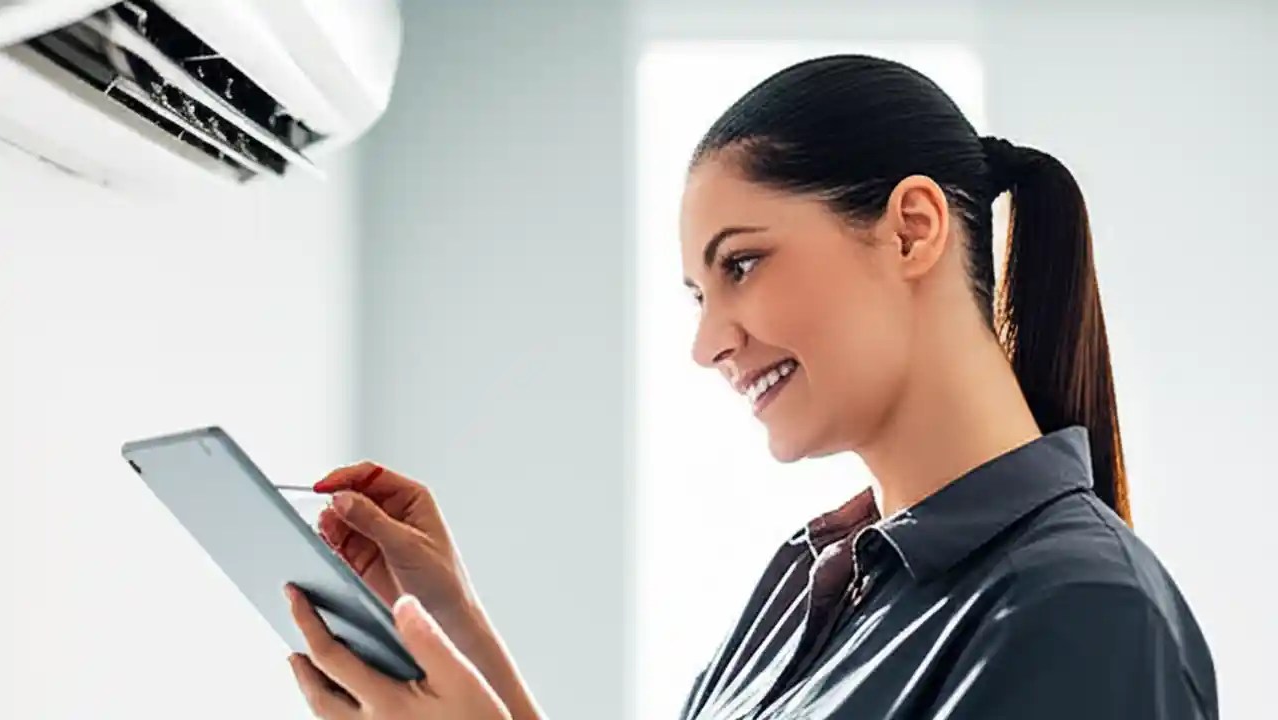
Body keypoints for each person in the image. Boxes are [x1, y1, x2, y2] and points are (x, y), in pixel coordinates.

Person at [283, 54, 1217, 719]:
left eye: (741, 265)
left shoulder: (1087, 612)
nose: (706, 343)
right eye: (698, 291)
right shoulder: (811, 588)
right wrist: (456, 625)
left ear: (912, 229)